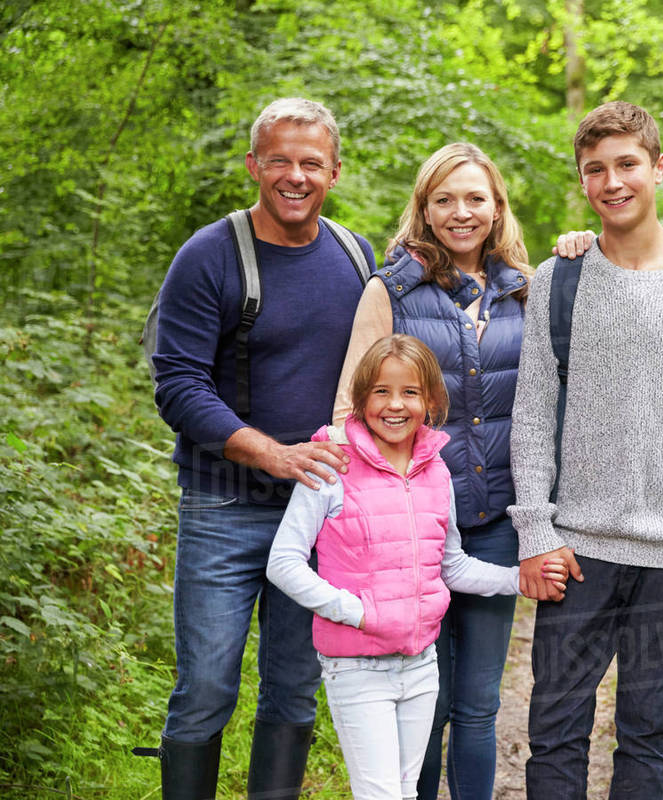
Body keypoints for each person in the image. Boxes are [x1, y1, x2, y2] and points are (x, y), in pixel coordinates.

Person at [509, 100, 663, 799]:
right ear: (583, 181)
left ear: (657, 167)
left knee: (647, 734)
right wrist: (534, 530)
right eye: (596, 169)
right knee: (555, 733)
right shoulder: (556, 280)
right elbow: (531, 414)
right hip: (576, 554)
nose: (612, 181)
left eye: (627, 165)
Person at [331, 142, 591, 800]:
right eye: (444, 199)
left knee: (476, 704)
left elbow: (577, 372)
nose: (461, 212)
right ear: (423, 208)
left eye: (476, 198)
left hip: (496, 521)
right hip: (412, 528)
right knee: (425, 703)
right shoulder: (389, 291)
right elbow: (347, 412)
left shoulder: (528, 291)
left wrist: (592, 251)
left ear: (497, 207)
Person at [149, 97, 373, 800]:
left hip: (316, 517)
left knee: (293, 689)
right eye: (280, 160)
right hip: (225, 506)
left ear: (334, 171)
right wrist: (272, 454)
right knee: (208, 684)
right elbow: (179, 387)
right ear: (254, 165)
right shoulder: (209, 257)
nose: (295, 176)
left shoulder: (353, 255)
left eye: (311, 162)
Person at [267, 334, 567, 800]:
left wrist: (517, 579)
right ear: (362, 397)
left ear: (430, 401)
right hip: (356, 665)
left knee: (406, 793)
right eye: (381, 391)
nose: (395, 405)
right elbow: (283, 563)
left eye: (410, 392)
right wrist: (356, 612)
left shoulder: (436, 470)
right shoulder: (331, 464)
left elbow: (451, 566)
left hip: (421, 665)